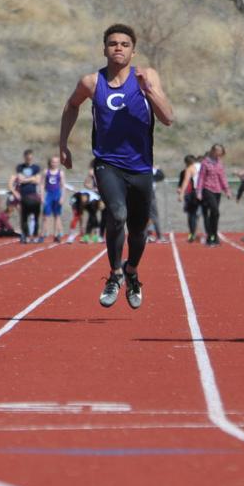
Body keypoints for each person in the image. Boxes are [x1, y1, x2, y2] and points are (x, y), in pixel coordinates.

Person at [60, 23, 173, 309]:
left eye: (124, 44)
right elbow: (71, 105)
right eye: (113, 44)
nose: (118, 48)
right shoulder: (91, 82)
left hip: (141, 167)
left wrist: (150, 92)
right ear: (105, 49)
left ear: (133, 51)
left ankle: (132, 271)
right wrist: (63, 144)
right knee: (117, 214)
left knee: (137, 230)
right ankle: (114, 274)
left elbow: (168, 118)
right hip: (107, 163)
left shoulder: (146, 77)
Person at [195, 144, 232, 246]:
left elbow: (222, 177)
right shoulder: (205, 162)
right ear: (213, 151)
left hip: (218, 190)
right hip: (208, 189)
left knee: (214, 215)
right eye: (218, 151)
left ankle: (213, 236)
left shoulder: (220, 162)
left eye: (221, 152)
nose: (219, 154)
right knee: (215, 211)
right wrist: (199, 192)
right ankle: (211, 236)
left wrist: (227, 190)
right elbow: (201, 178)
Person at [11, 149, 43, 243]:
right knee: (24, 217)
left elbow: (38, 180)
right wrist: (31, 179)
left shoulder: (36, 167)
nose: (29, 159)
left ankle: (35, 235)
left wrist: (26, 179)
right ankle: (25, 235)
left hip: (34, 195)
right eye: (27, 158)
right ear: (25, 157)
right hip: (23, 195)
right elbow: (20, 179)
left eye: (30, 158)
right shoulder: (20, 167)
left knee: (36, 217)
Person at [40, 154, 70, 242]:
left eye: (56, 162)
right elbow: (41, 185)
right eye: (53, 162)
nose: (54, 164)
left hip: (57, 194)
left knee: (57, 215)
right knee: (46, 216)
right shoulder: (46, 172)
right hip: (49, 195)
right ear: (50, 162)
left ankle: (57, 234)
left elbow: (63, 186)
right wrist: (42, 196)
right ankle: (43, 234)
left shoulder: (60, 172)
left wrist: (62, 198)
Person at [177, 154, 202, 243]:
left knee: (193, 215)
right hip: (201, 192)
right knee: (198, 214)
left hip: (194, 193)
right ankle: (208, 235)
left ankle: (193, 234)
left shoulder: (190, 169)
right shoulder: (201, 166)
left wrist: (181, 194)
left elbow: (186, 181)